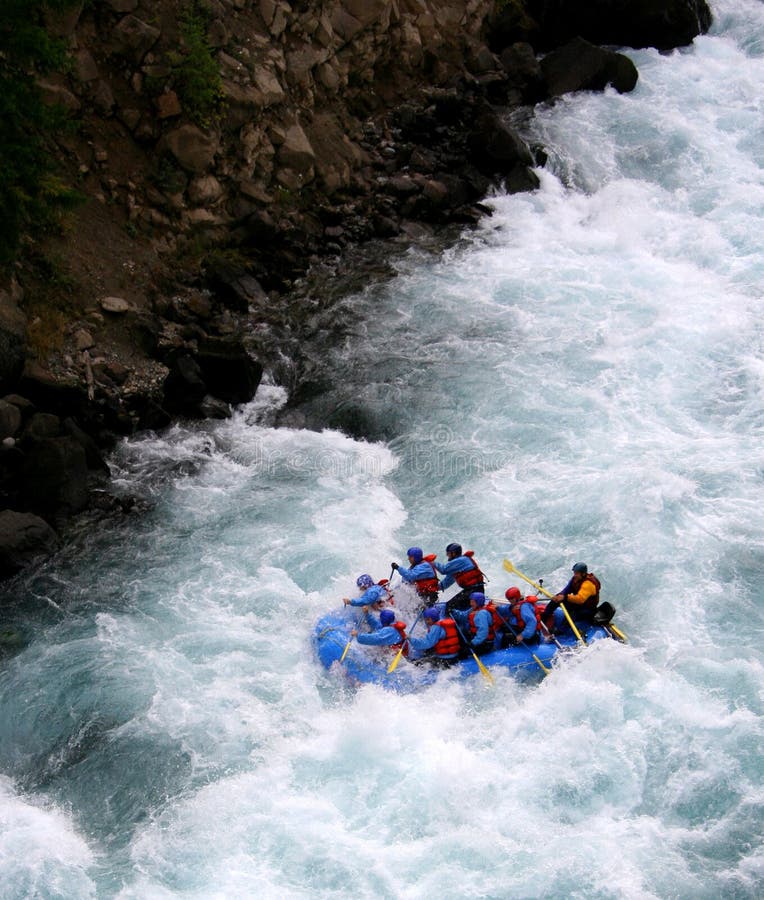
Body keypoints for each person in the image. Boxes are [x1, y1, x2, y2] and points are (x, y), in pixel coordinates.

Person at [543, 562, 601, 633]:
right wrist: (561, 595)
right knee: (557, 598)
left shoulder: (588, 584)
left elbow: (580, 599)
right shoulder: (576, 579)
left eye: (576, 573)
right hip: (578, 604)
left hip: (587, 609)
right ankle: (545, 616)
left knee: (573, 613)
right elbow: (567, 589)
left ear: (583, 574)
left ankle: (560, 630)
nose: (575, 575)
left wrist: (565, 597)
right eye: (574, 573)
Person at [434, 542, 486, 614]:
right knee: (452, 605)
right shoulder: (456, 567)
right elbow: (445, 584)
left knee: (449, 606)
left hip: (474, 590)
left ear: (454, 553)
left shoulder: (461, 560)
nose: (447, 555)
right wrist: (434, 588)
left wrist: (431, 562)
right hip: (471, 590)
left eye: (448, 553)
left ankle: (451, 624)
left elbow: (443, 570)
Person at [453, 591, 495, 656]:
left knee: (462, 653)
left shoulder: (482, 614)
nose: (470, 603)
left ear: (478, 602)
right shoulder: (473, 609)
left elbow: (483, 632)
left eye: (473, 602)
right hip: (477, 640)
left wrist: (473, 643)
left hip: (484, 643)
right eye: (470, 601)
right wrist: (453, 611)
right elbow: (463, 616)